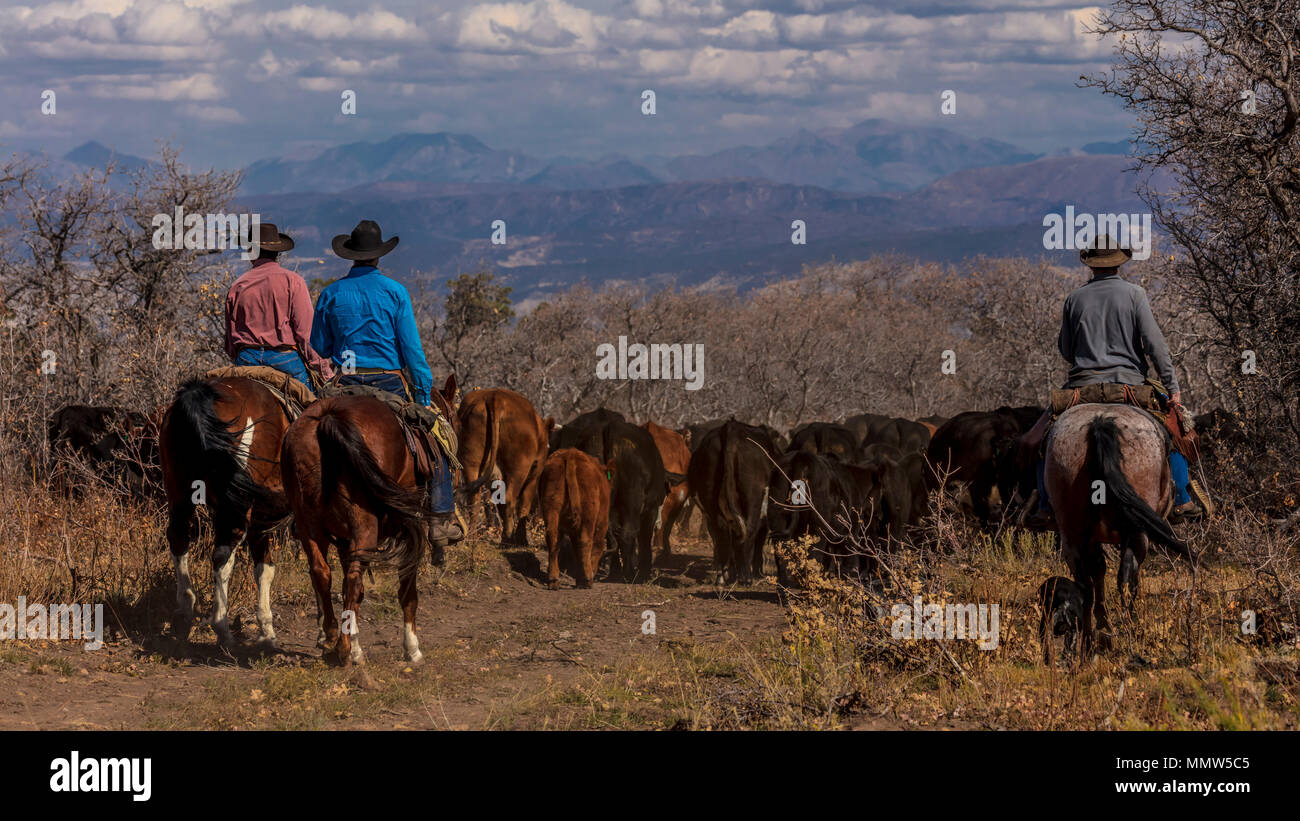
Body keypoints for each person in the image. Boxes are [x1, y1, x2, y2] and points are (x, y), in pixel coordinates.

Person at [1023, 233, 1203, 529]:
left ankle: (1044, 505)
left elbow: (1066, 350)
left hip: (1081, 389)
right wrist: (1172, 389)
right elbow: (1155, 346)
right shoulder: (1135, 295)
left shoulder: (1074, 298)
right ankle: (1182, 499)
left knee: (1043, 439)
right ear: (1119, 263)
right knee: (1174, 431)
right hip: (1130, 385)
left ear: (1091, 265)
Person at [310, 219, 462, 548]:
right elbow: (412, 352)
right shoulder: (395, 293)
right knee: (434, 443)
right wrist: (422, 397)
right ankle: (439, 518)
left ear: (351, 255)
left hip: (344, 384)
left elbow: (318, 347)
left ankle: (306, 515)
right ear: (379, 257)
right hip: (389, 384)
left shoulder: (331, 294)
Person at [224, 222, 334, 386]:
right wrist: (324, 370)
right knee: (313, 404)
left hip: (247, 358)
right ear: (277, 253)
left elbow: (230, 343)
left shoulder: (238, 286)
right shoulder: (293, 281)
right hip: (283, 358)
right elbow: (306, 334)